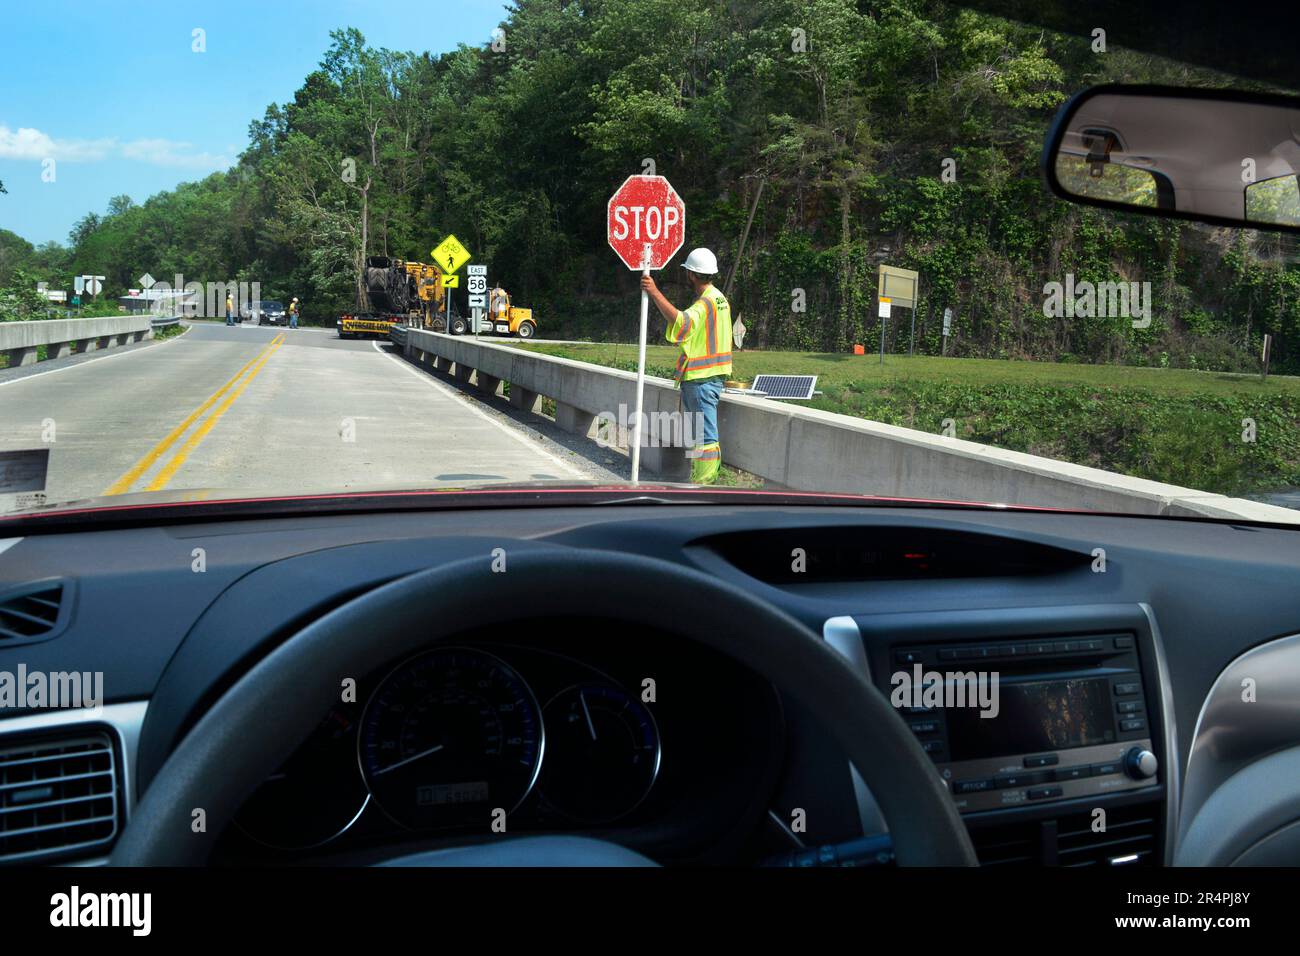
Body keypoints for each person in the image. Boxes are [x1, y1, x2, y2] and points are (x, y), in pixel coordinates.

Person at [640, 247, 732, 484]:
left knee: (705, 436)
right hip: (712, 376)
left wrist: (654, 293)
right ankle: (704, 479)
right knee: (704, 434)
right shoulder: (720, 299)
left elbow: (682, 324)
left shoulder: (704, 304)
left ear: (691, 274)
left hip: (701, 379)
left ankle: (704, 483)